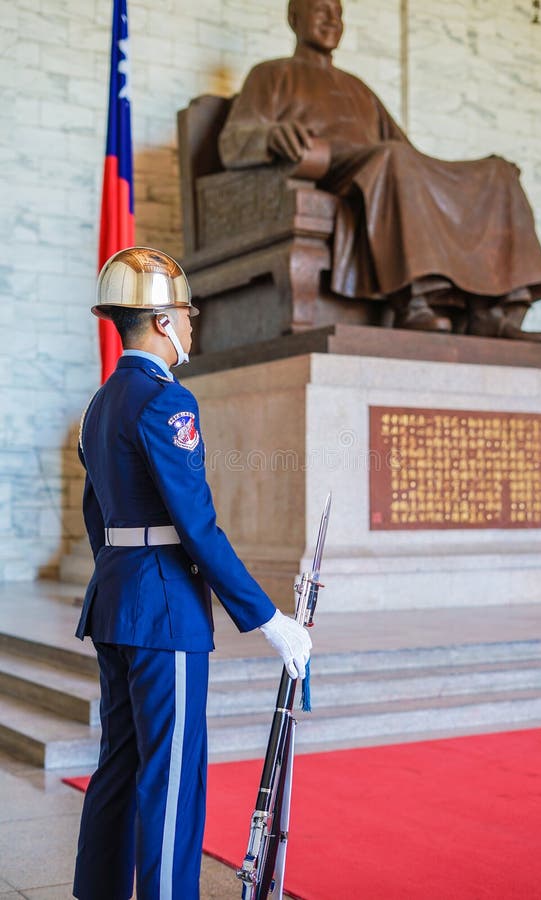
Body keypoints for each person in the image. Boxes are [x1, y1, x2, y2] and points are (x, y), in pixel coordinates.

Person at [73, 246, 311, 900]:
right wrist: (267, 618)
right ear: (159, 322)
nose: (191, 324)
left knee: (120, 764)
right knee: (172, 776)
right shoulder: (165, 403)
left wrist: (121, 587)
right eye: (185, 312)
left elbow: (98, 517)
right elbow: (197, 523)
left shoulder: (100, 404)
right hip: (164, 612)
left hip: (118, 602)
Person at [219, 0, 541, 342]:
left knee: (498, 172)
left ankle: (493, 310)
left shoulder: (358, 88)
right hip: (330, 169)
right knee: (393, 159)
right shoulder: (271, 74)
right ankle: (414, 301)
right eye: (322, 10)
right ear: (295, 18)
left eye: (339, 13)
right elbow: (232, 141)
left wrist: (464, 177)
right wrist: (271, 135)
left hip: (383, 165)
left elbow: (410, 154)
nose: (333, 19)